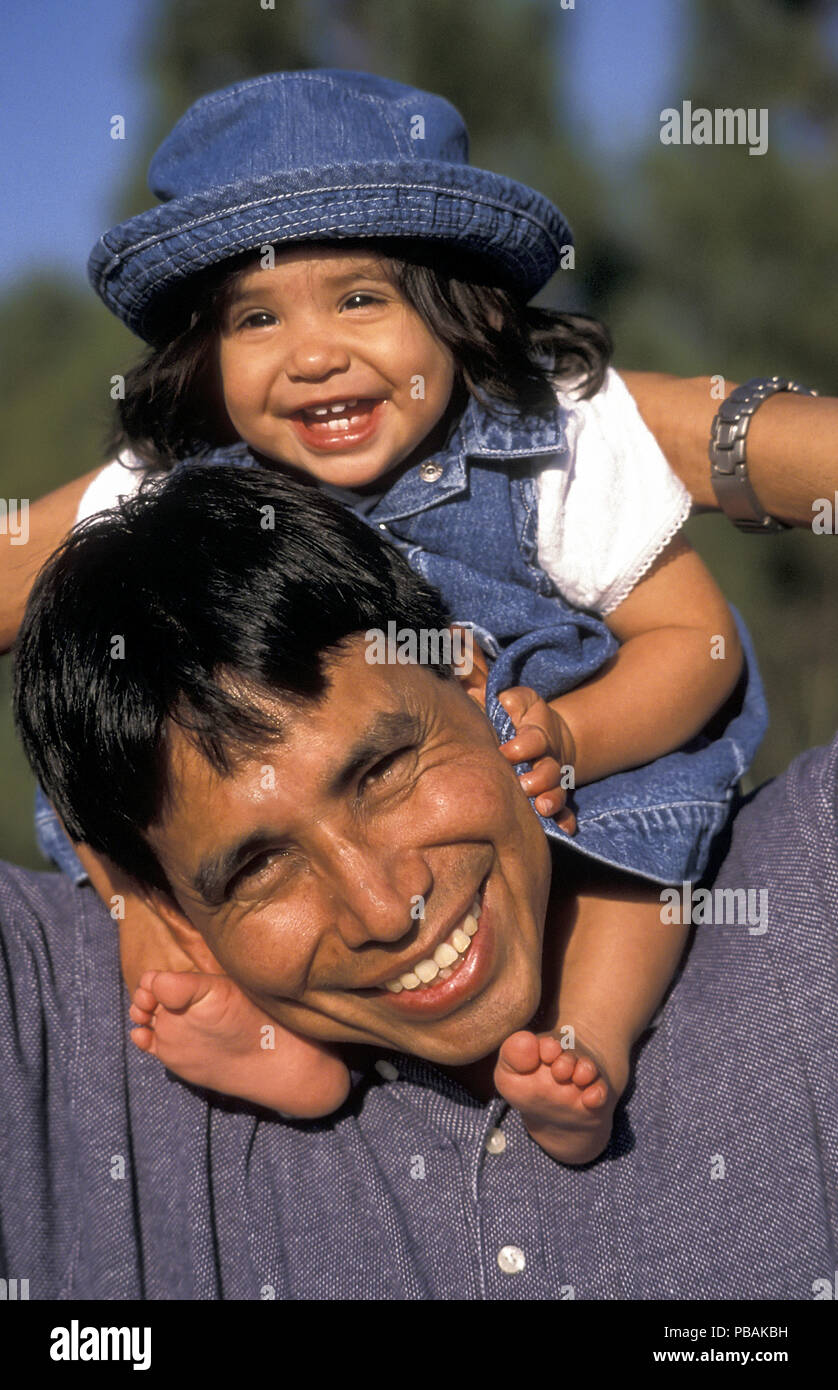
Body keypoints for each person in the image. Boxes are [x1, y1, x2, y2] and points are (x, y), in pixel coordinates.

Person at [0, 70, 768, 1166]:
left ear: (454, 308)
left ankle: (588, 1045)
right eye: (257, 318)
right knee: (128, 808)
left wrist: (576, 736)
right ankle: (252, 1026)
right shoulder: (171, 483)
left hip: (565, 757)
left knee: (650, 817)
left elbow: (696, 642)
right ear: (207, 363)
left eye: (360, 299)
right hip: (296, 813)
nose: (312, 353)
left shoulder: (546, 441)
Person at [4, 463, 837, 1301]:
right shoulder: (64, 1037)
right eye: (258, 866)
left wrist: (608, 426)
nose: (381, 906)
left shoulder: (813, 879)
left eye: (383, 771)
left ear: (474, 683)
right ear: (165, 900)